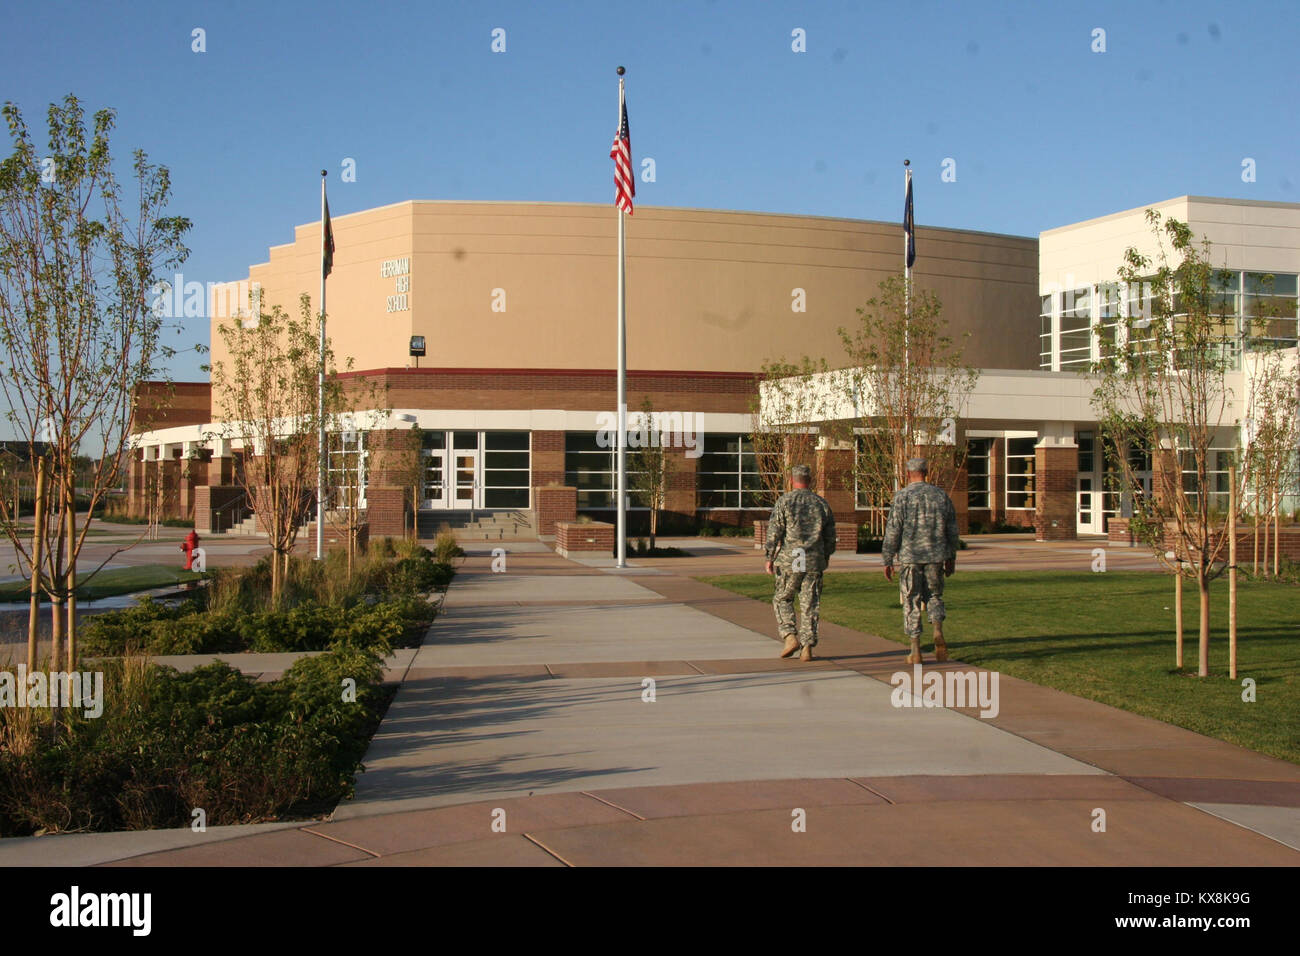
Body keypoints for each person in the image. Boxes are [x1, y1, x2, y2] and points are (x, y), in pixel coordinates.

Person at [881, 457, 960, 664]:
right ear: (927, 472)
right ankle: (937, 629)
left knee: (911, 600)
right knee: (934, 595)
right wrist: (951, 556)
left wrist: (887, 558)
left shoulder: (902, 497)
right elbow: (952, 530)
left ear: (908, 474)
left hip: (910, 557)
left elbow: (893, 531)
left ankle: (915, 649)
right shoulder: (940, 496)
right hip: (935, 556)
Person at [764, 463, 837, 661]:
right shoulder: (821, 504)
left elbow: (774, 532)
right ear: (810, 481)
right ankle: (807, 647)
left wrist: (769, 557)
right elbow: (830, 536)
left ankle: (789, 636)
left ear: (791, 480)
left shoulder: (785, 501)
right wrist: (826, 556)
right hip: (813, 560)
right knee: (810, 604)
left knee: (783, 598)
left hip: (791, 558)